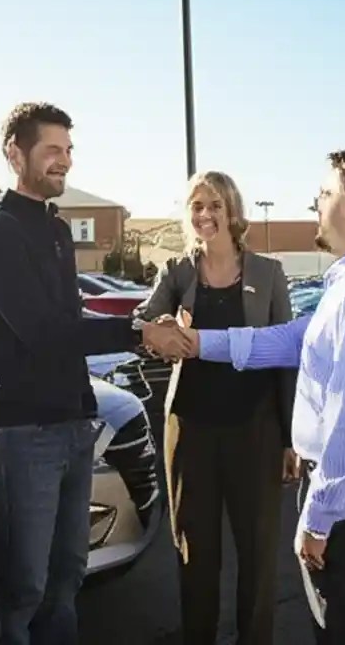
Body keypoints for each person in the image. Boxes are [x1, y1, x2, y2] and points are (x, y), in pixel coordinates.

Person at [146, 149, 345, 645]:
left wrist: (320, 518)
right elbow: (289, 340)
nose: (315, 202)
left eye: (325, 193)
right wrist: (197, 342)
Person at [0, 102, 144, 645]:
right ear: (15, 154)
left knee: (66, 579)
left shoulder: (56, 230)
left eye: (68, 150)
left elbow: (70, 319)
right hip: (23, 435)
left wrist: (136, 325)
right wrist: (137, 334)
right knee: (22, 590)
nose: (64, 161)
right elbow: (42, 332)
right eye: (51, 150)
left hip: (72, 425)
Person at [132, 171, 299, 645]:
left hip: (256, 430)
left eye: (214, 206)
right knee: (195, 553)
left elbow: (286, 356)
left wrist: (289, 439)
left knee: (258, 554)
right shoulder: (176, 272)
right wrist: (160, 327)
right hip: (191, 432)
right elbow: (144, 322)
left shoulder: (268, 273)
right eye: (197, 206)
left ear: (232, 212)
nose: (205, 215)